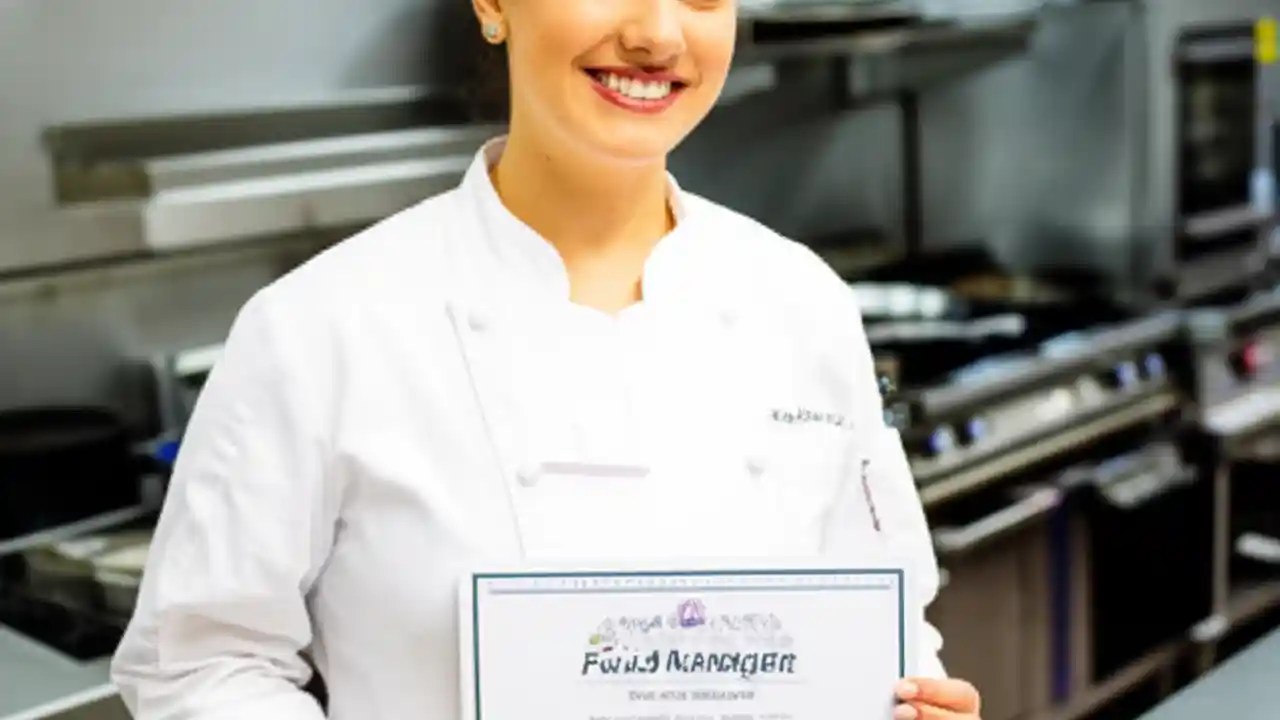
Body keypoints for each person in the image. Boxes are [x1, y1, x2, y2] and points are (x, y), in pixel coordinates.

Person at [111, 0, 983, 718]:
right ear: (492, 5)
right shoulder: (320, 327)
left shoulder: (803, 302)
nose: (658, 35)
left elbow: (888, 627)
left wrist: (913, 702)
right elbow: (200, 666)